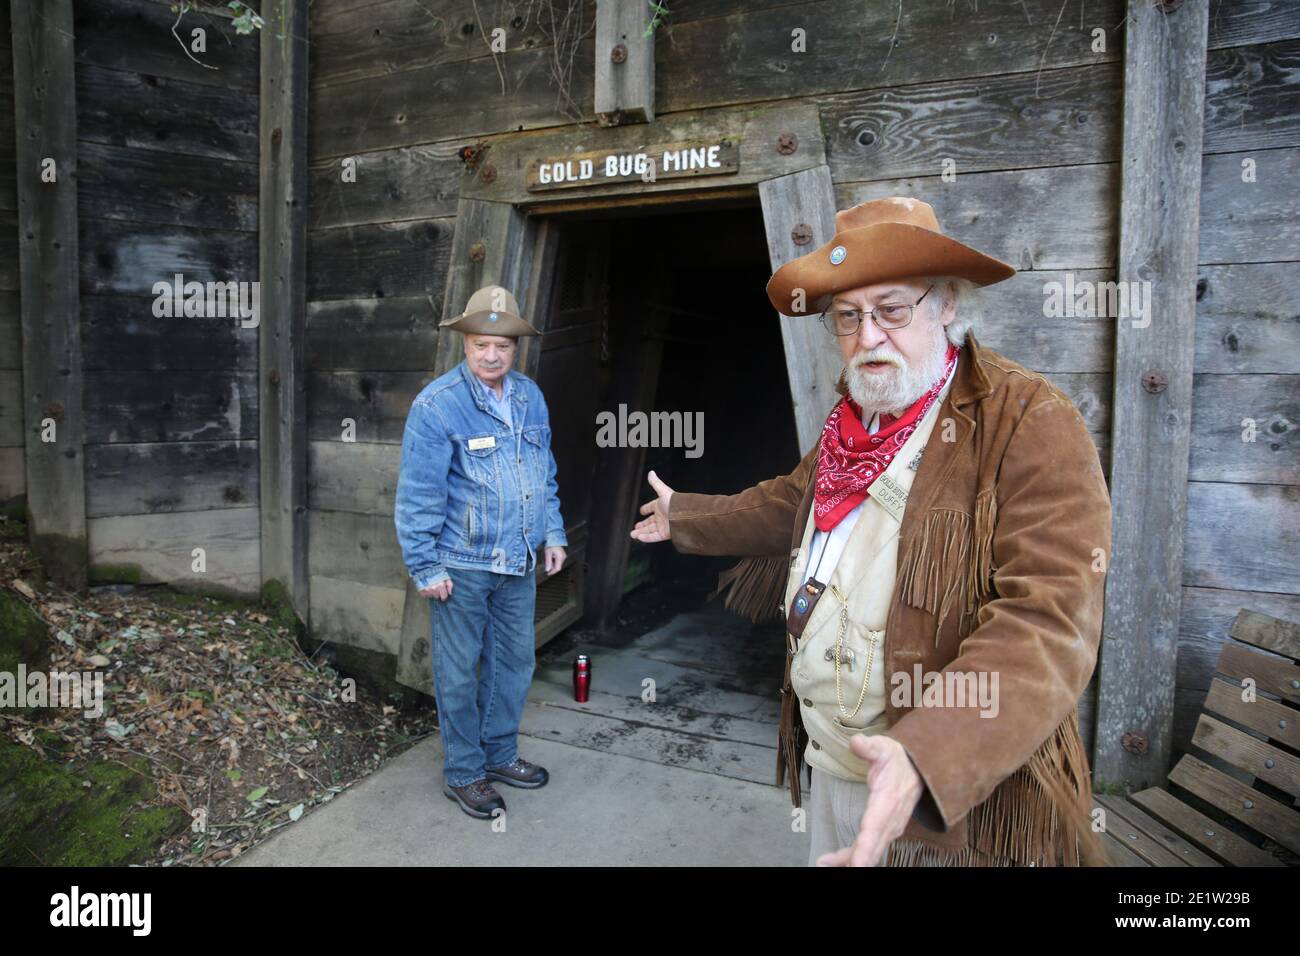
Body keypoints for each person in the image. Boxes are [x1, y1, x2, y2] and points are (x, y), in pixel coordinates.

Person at [631, 197, 1112, 866]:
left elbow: (1049, 618)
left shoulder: (1029, 419)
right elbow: (792, 504)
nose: (869, 337)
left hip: (947, 795)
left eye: (891, 310)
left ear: (946, 303)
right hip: (833, 759)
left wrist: (930, 755)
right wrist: (686, 514)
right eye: (849, 317)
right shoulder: (854, 420)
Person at [395, 285, 567, 820]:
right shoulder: (437, 406)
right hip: (461, 565)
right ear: (464, 344)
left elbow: (544, 475)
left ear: (515, 347)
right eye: (481, 345)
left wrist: (553, 533)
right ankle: (464, 773)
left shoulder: (529, 397)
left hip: (516, 559)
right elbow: (418, 493)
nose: (492, 356)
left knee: (515, 662)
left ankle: (498, 755)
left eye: (503, 346)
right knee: (458, 670)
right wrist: (425, 564)